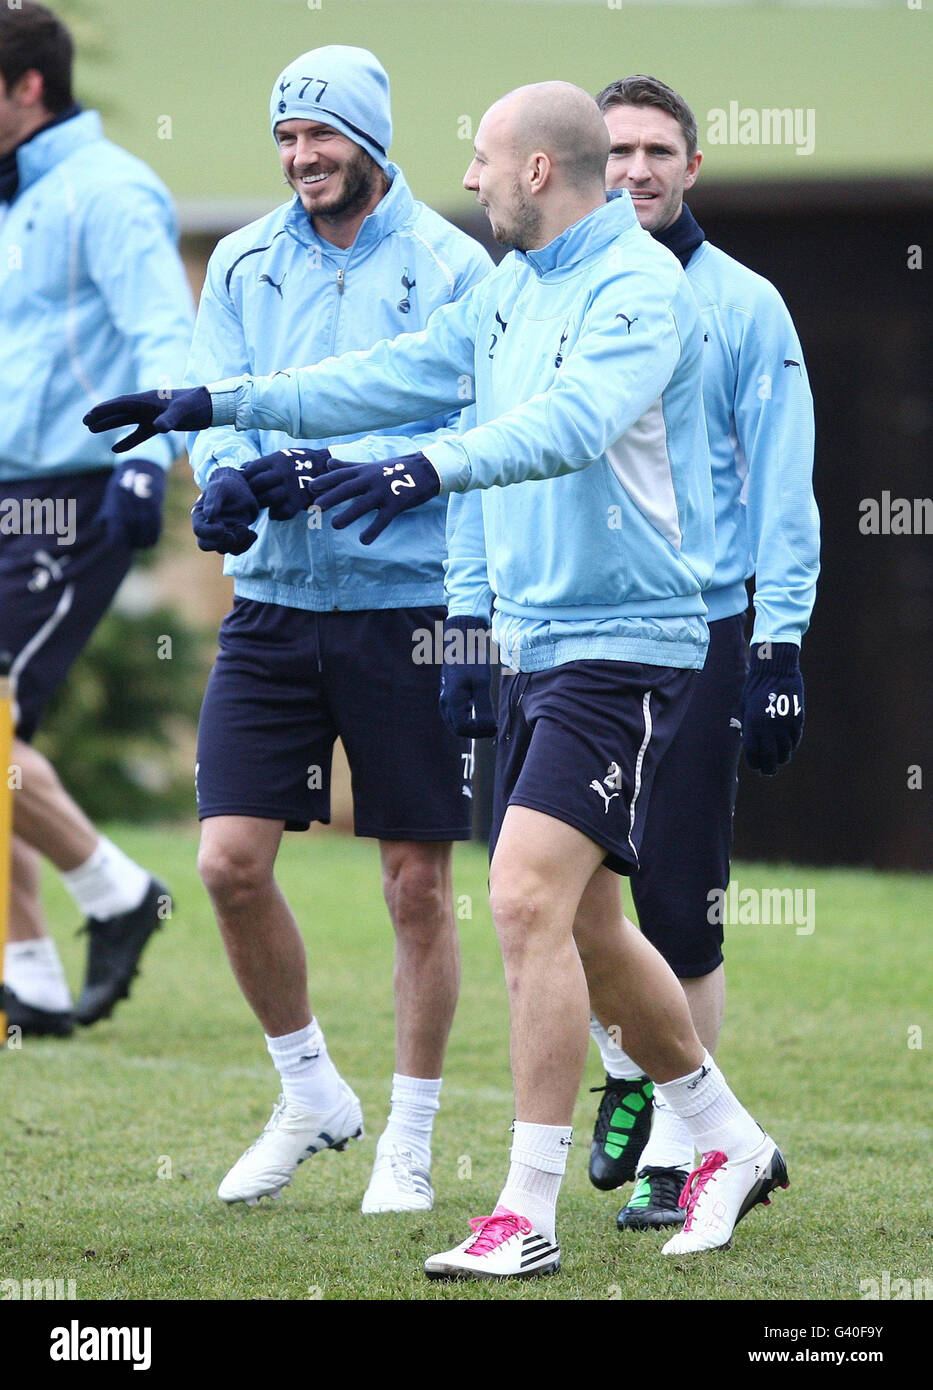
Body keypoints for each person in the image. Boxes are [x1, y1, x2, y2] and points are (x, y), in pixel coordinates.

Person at [88, 81, 789, 1278]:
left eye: (481, 157)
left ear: (533, 174)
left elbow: (568, 426)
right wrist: (227, 405)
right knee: (584, 919)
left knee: (518, 896)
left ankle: (525, 1206)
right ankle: (725, 1136)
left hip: (626, 642)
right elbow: (394, 374)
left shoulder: (641, 289)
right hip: (534, 638)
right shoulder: (511, 288)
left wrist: (421, 473)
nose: (464, 176)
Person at [117, 45, 490, 1216]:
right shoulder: (239, 259)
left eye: (319, 136)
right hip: (273, 608)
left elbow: (469, 427)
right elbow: (211, 394)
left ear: (371, 139)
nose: (300, 157)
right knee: (226, 861)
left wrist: (335, 467)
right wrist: (224, 478)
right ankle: (313, 1092)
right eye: (284, 138)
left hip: (410, 611)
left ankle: (412, 1137)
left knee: (416, 886)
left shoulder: (454, 265)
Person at [578, 75, 819, 1231]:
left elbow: (783, 485)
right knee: (562, 887)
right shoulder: (556, 294)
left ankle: (685, 1150)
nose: (634, 169)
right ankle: (625, 1068)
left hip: (701, 632)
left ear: (692, 166)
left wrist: (778, 647)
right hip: (572, 626)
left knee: (682, 901)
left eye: (657, 150)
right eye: (615, 149)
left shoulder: (746, 306)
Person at [0, 2, 193, 1037]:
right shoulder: (11, 194)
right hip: (4, 487)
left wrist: (148, 460)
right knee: (6, 731)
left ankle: (117, 889)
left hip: (78, 492)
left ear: (27, 87)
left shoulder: (112, 190)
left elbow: (168, 332)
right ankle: (27, 970)